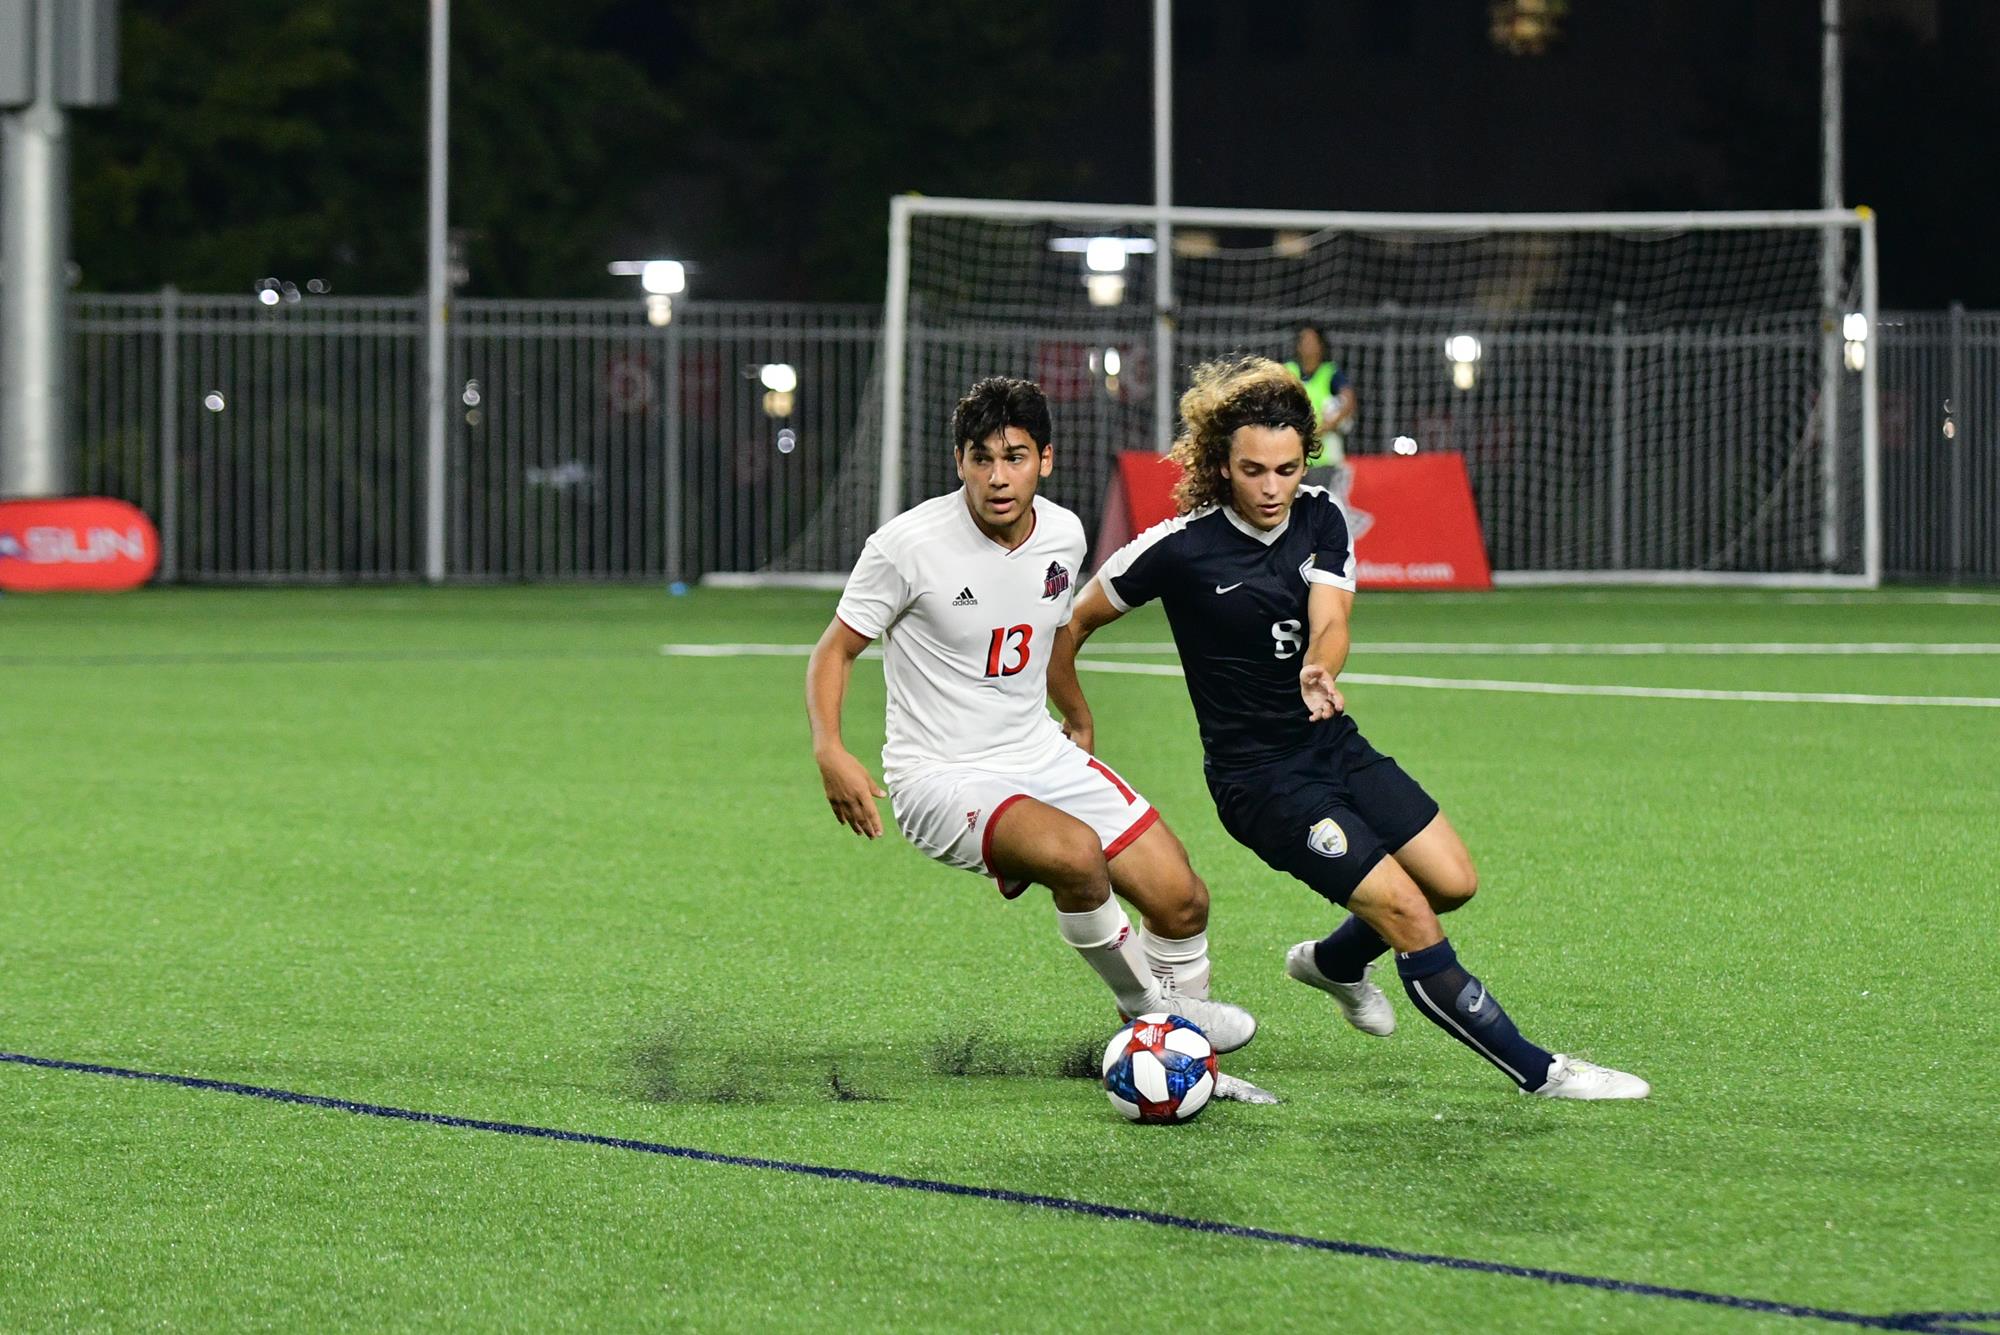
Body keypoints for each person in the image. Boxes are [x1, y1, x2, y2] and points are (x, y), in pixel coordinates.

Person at [1049, 357, 1648, 1100]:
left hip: (1332, 743)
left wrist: (1319, 668)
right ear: (1221, 465)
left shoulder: (1322, 516)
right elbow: (1069, 625)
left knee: (1452, 880)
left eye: (1288, 467)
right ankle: (1541, 1071)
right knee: (1407, 909)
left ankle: (1333, 962)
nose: (1272, 488)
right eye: (1253, 470)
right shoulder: (1177, 547)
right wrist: (1074, 714)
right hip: (1260, 781)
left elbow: (1331, 618)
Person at [805, 375, 1261, 1061]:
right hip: (941, 775)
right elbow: (833, 652)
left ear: (1045, 459)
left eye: (1015, 456)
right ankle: (1164, 1027)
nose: (997, 476)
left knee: (1181, 897)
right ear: (958, 460)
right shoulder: (907, 545)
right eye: (981, 457)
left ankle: (1170, 1051)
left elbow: (1044, 636)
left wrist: (1075, 712)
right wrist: (829, 749)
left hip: (1036, 752)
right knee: (1077, 857)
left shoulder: (1064, 534)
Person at [1283, 324, 1357, 495]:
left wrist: (1328, 425)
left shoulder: (1330, 373)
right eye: (1304, 341)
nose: (1308, 345)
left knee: (1319, 509)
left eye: (1312, 341)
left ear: (1321, 345)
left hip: (1324, 458)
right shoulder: (1288, 372)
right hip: (1290, 456)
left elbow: (1348, 399)